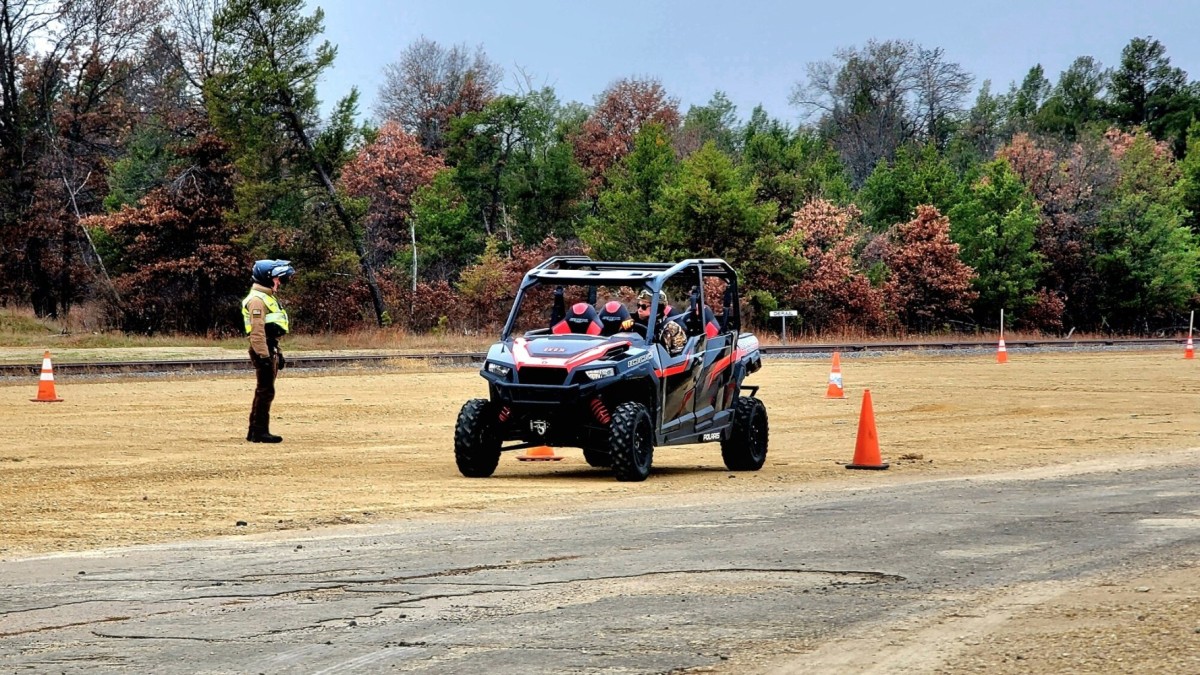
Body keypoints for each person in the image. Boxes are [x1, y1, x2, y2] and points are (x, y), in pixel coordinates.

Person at [242, 259, 295, 443]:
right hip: (262, 349)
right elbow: (257, 332)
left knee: (264, 390)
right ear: (267, 279)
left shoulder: (265, 297)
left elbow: (268, 332)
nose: (279, 282)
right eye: (277, 279)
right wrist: (264, 356)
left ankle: (255, 431)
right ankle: (259, 431)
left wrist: (277, 353)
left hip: (268, 347)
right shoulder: (257, 300)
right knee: (265, 391)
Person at [633, 289, 687, 356]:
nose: (639, 310)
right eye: (638, 305)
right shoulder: (634, 322)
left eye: (643, 307)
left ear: (657, 308)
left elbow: (678, 359)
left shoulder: (672, 328)